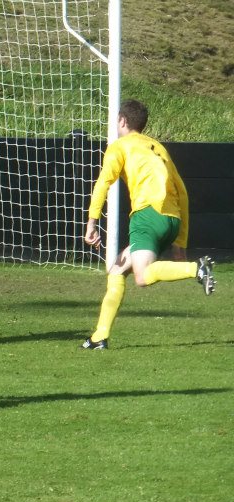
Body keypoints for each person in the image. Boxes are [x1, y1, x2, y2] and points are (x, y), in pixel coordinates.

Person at [81, 99, 216, 350]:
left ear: (122, 121)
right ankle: (99, 337)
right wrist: (180, 241)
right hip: (172, 219)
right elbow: (183, 192)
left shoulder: (119, 146)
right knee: (117, 271)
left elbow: (103, 183)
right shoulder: (157, 147)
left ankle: (196, 269)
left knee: (142, 276)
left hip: (147, 215)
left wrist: (92, 222)